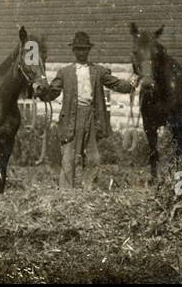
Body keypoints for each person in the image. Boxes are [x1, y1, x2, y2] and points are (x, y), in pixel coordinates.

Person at [38, 31, 135, 188]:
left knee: (93, 158)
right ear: (73, 51)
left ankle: (89, 190)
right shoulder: (64, 73)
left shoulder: (98, 71)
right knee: (68, 158)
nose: (81, 52)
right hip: (70, 118)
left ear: (88, 51)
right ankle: (65, 194)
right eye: (78, 49)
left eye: (84, 49)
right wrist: (42, 92)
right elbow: (52, 92)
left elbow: (117, 84)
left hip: (91, 117)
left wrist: (133, 81)